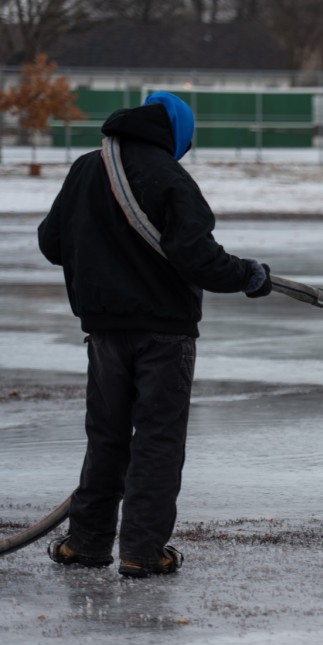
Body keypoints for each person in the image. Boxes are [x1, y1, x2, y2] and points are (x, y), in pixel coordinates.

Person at [37, 91, 273, 577]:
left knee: (106, 437)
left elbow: (51, 242)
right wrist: (248, 275)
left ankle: (86, 543)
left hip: (104, 330)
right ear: (176, 134)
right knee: (157, 439)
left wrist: (101, 257)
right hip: (165, 334)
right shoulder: (170, 177)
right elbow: (199, 258)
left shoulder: (86, 168)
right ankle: (142, 551)